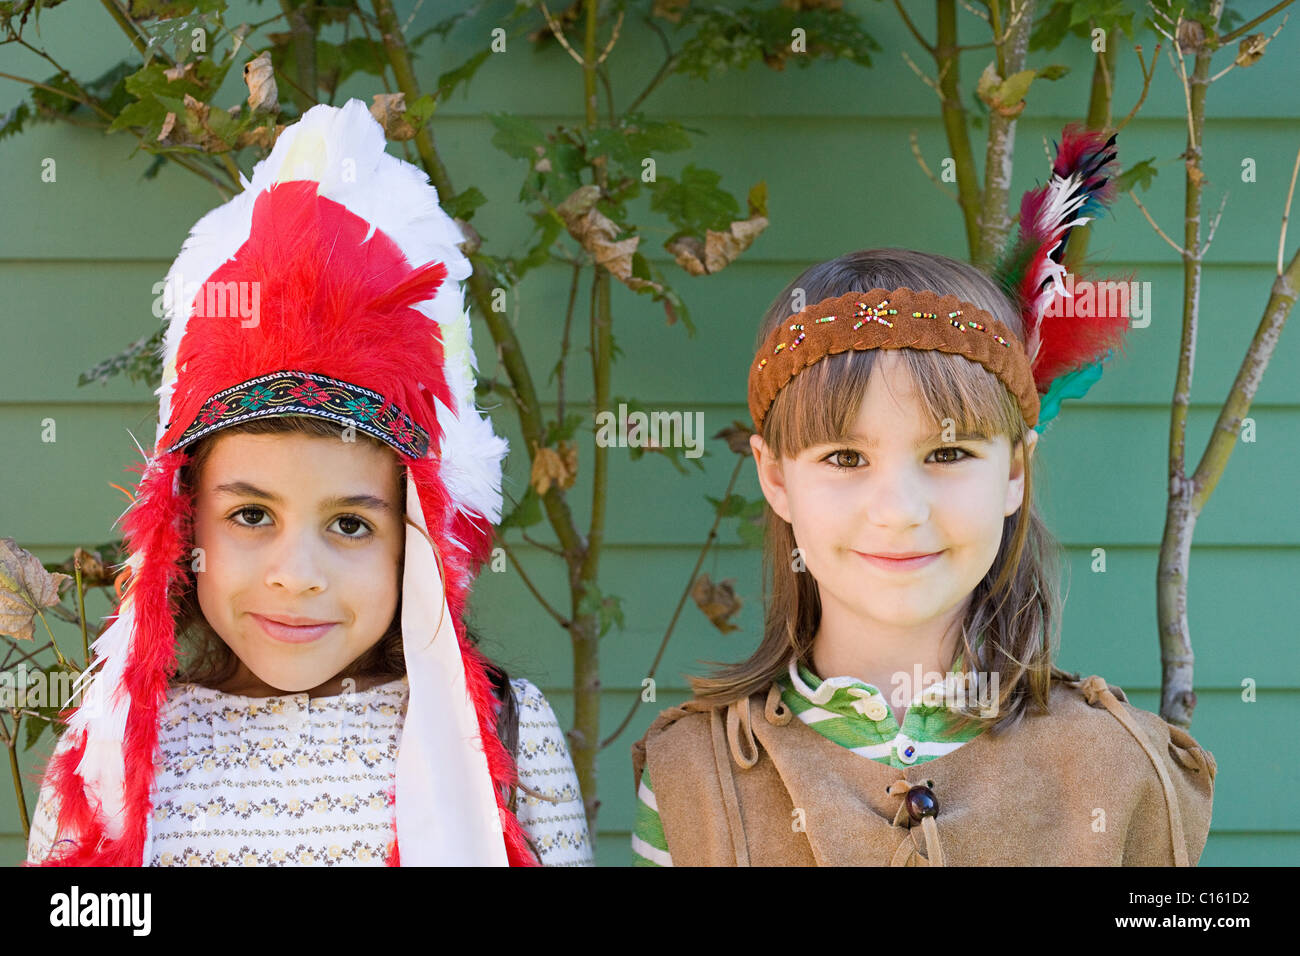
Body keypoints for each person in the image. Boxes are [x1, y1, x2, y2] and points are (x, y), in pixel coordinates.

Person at [25, 99, 591, 866]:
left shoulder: (506, 735)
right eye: (252, 515)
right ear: (182, 527)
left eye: (351, 524)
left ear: (416, 542)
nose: (296, 577)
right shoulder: (115, 758)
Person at [632, 125, 1216, 867]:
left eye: (947, 452)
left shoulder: (1126, 765)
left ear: (1014, 473)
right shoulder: (693, 774)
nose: (899, 509)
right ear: (775, 478)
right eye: (845, 456)